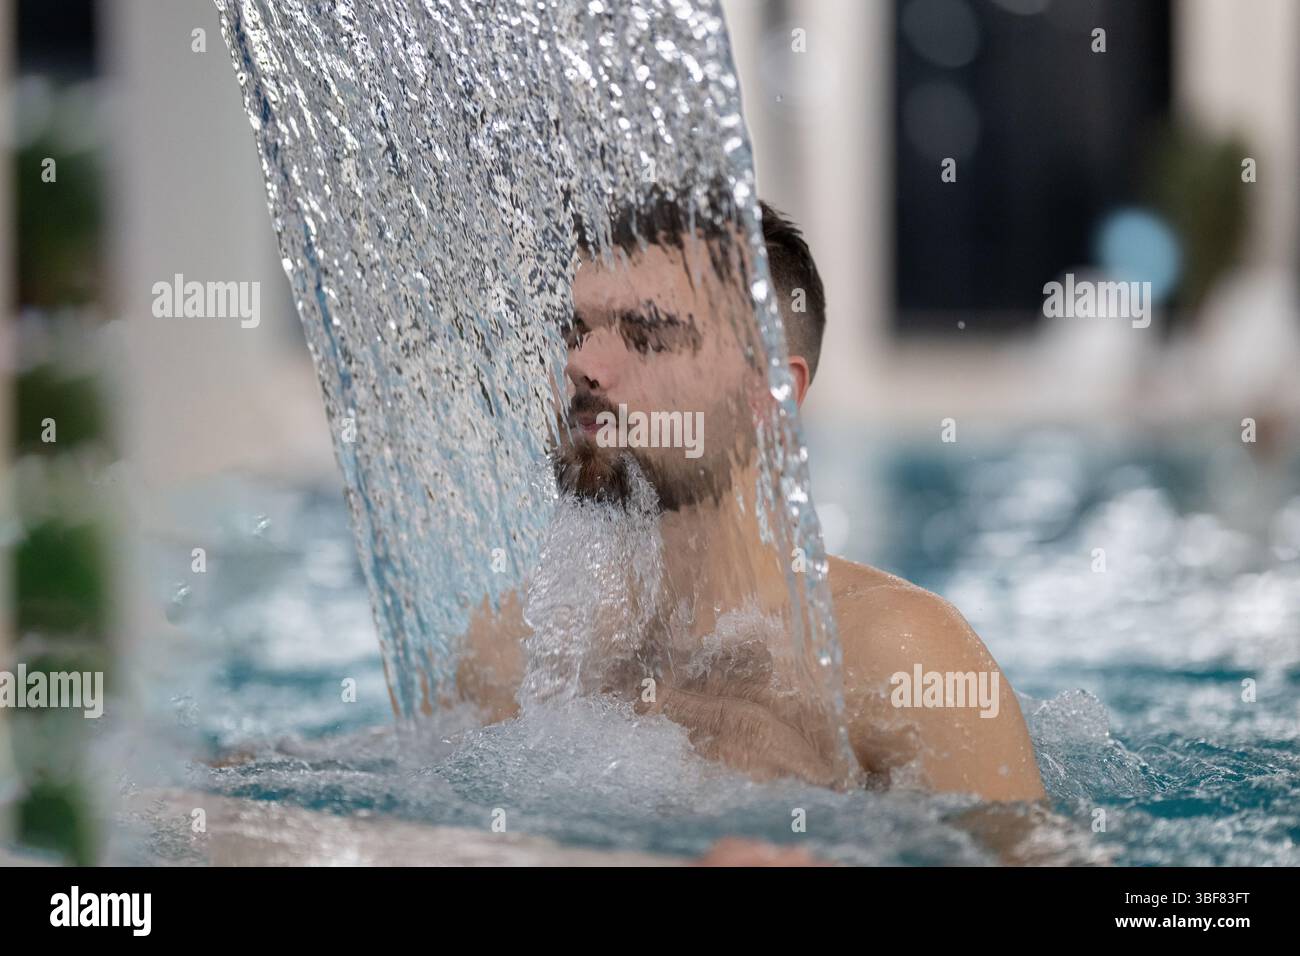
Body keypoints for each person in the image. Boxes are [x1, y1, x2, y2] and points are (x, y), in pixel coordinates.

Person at [456, 191, 1046, 803]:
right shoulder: (516, 651)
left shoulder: (899, 661)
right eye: (576, 329)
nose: (583, 363)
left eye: (647, 334)